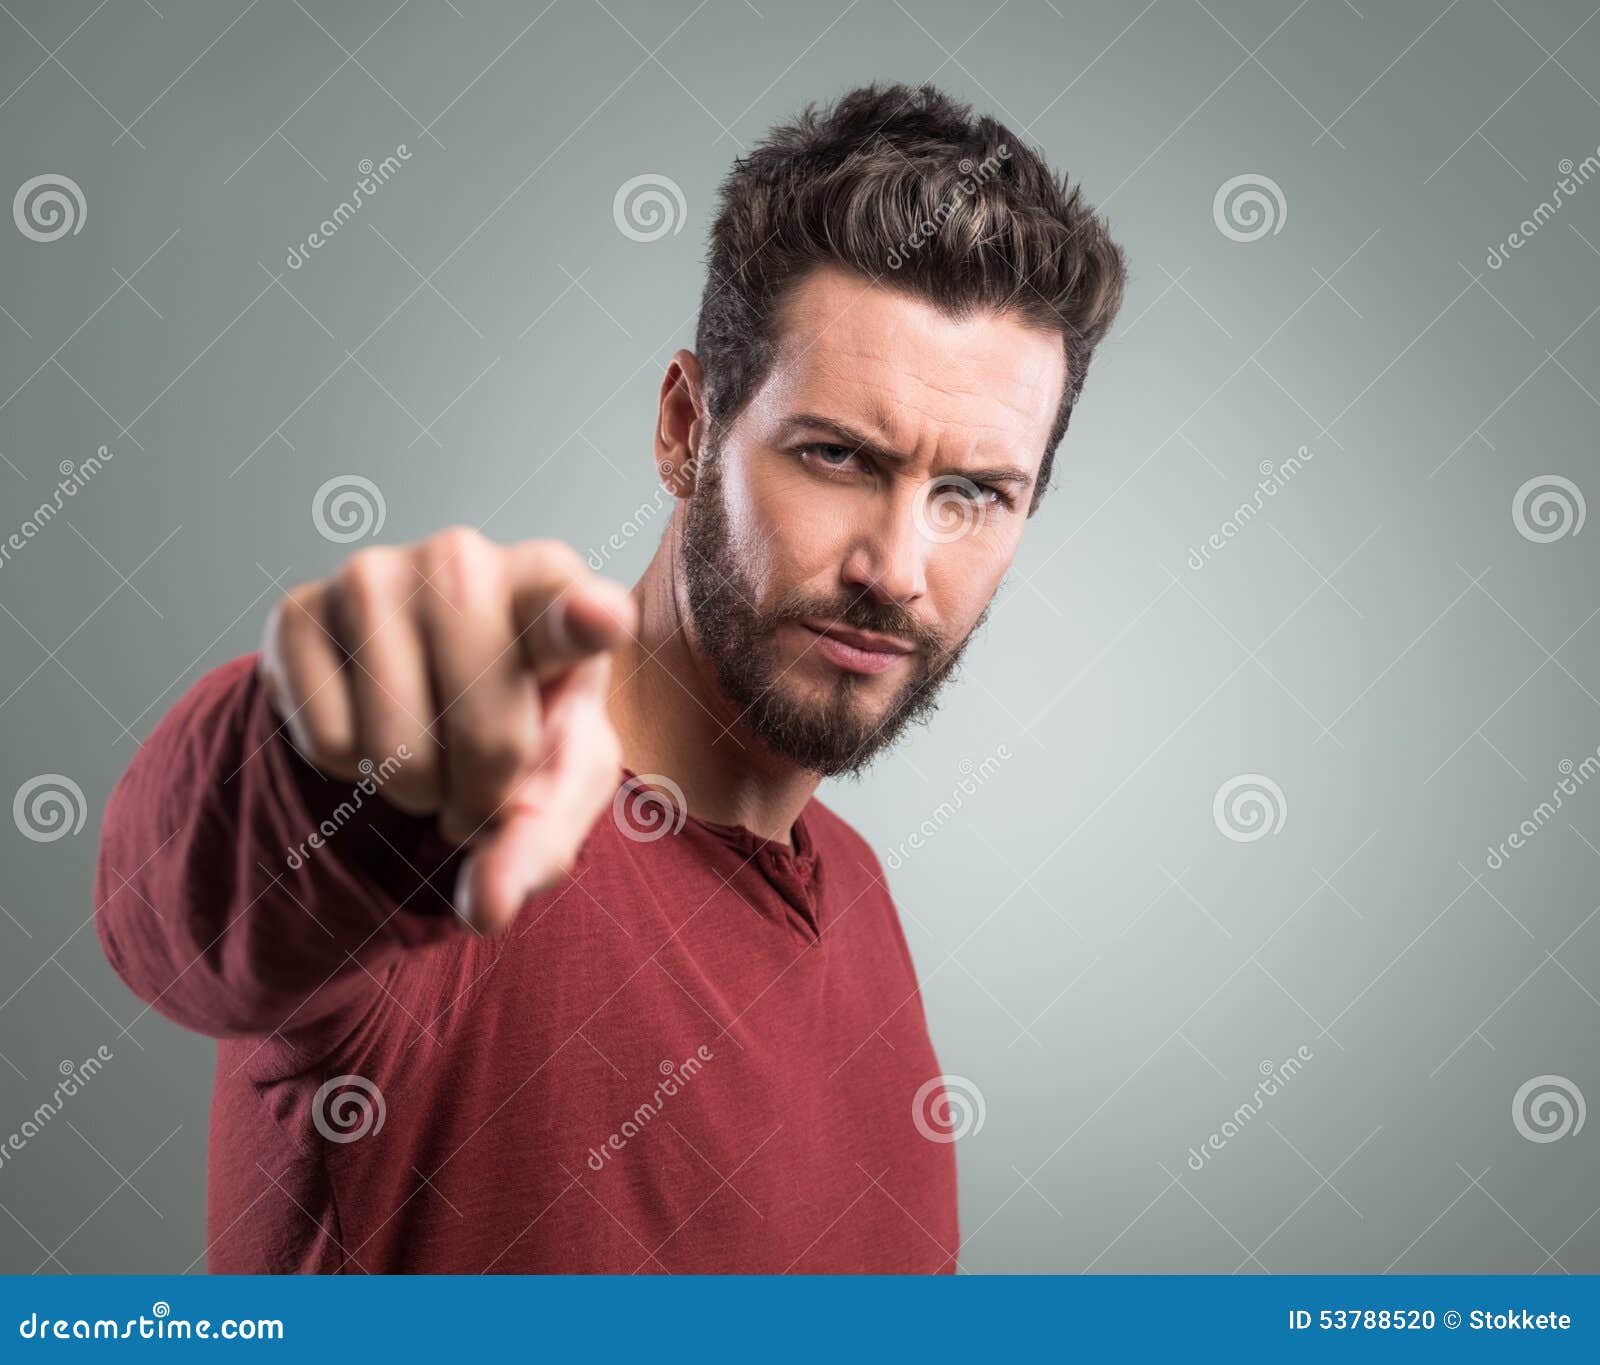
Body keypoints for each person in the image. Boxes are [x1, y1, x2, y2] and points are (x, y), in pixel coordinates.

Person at [94, 82, 1126, 1274]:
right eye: (837, 456)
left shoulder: (858, 897)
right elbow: (183, 905)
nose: (895, 569)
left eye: (973, 495)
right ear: (687, 427)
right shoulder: (465, 823)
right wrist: (320, 741)